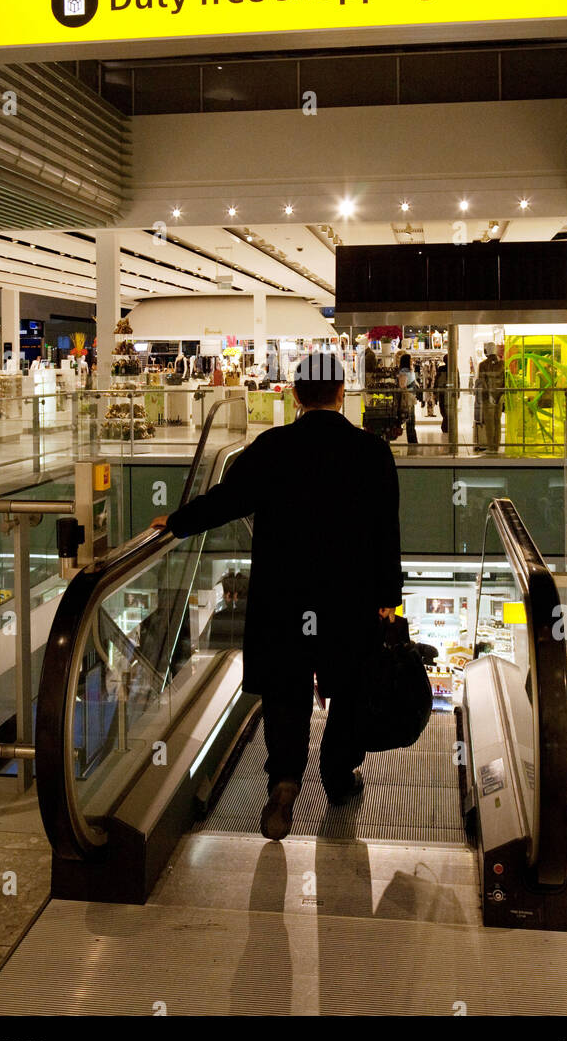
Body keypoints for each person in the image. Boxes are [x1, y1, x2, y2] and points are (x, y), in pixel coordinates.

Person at [151, 352, 403, 841]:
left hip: (284, 596)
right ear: (341, 394)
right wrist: (387, 597)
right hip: (347, 599)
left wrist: (178, 522)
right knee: (348, 687)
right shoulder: (372, 452)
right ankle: (337, 776)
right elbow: (385, 532)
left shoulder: (272, 447)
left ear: (295, 396)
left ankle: (284, 783)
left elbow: (227, 501)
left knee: (286, 692)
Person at [476, 342, 504, 453]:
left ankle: (491, 447)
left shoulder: (483, 365)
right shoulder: (502, 364)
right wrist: (502, 395)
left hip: (488, 398)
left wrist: (489, 395)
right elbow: (505, 381)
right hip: (499, 396)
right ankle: (496, 446)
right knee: (497, 421)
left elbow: (483, 382)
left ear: (486, 350)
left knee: (489, 423)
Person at [397, 351, 419, 444]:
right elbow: (402, 385)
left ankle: (413, 440)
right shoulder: (404, 372)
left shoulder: (409, 370)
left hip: (411, 397)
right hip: (408, 398)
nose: (412, 360)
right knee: (410, 420)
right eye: (410, 359)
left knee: (412, 420)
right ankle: (412, 441)